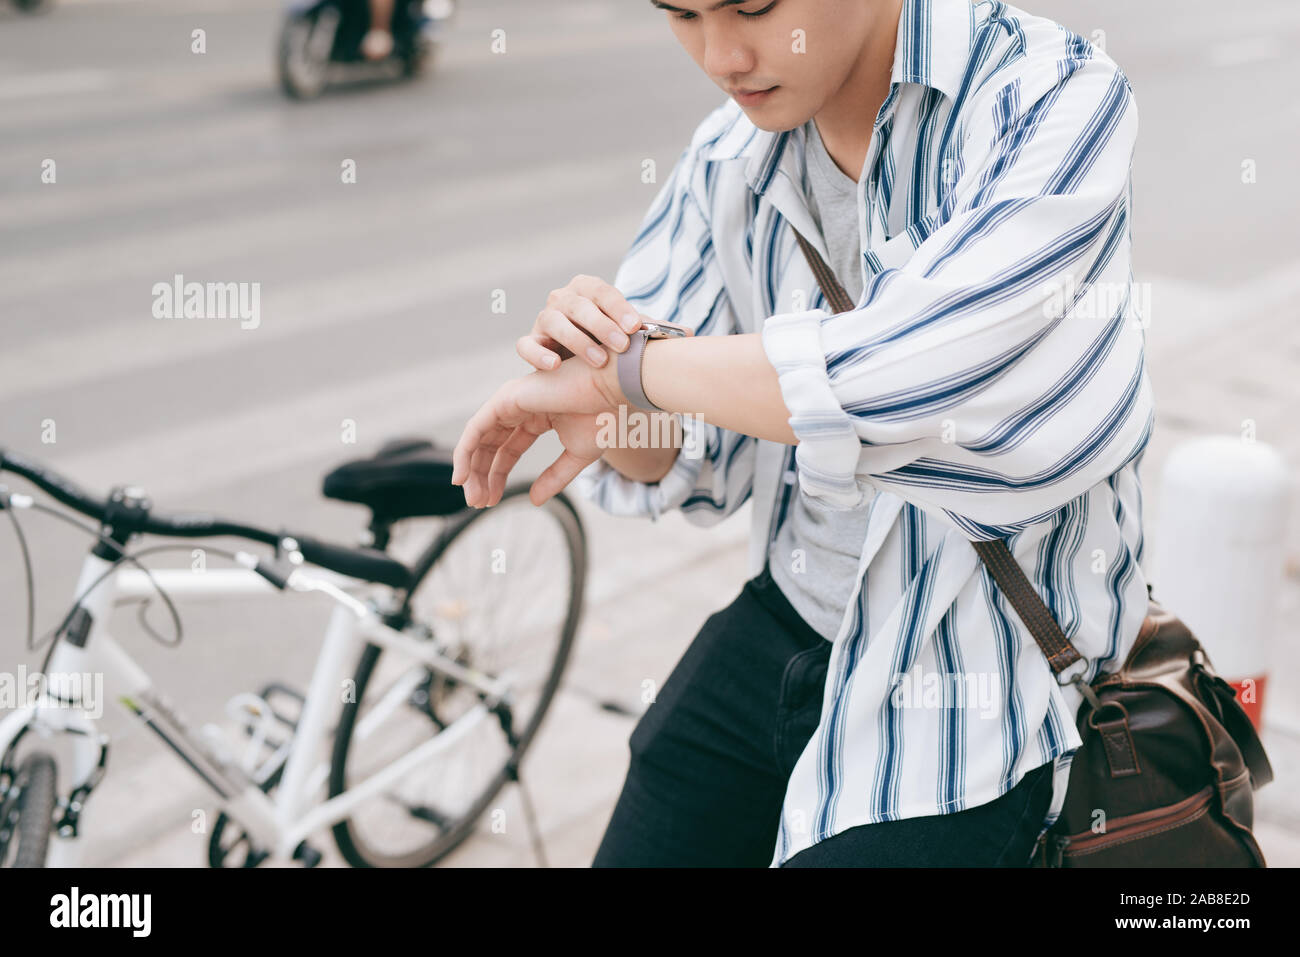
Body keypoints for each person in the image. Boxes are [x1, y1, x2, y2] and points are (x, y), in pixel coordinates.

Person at [451, 0, 1152, 867]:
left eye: (752, 7)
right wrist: (607, 392)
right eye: (683, 14)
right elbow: (674, 449)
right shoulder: (730, 153)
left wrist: (635, 369)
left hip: (980, 674)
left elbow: (911, 377)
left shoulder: (1048, 97)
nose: (722, 54)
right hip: (787, 619)